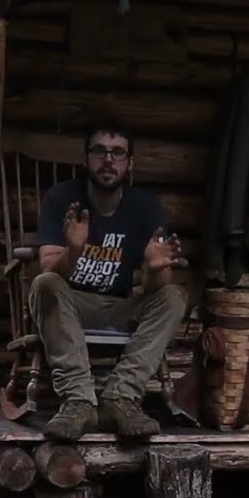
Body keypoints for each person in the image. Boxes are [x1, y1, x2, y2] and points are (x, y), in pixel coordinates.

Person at [29, 124, 186, 441]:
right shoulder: (63, 199)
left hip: (119, 305)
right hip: (70, 303)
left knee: (173, 297)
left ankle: (121, 398)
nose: (108, 160)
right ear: (86, 159)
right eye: (99, 151)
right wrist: (73, 249)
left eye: (118, 153)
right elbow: (48, 270)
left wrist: (155, 268)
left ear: (131, 163)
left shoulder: (144, 206)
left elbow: (156, 285)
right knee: (45, 283)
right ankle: (78, 402)